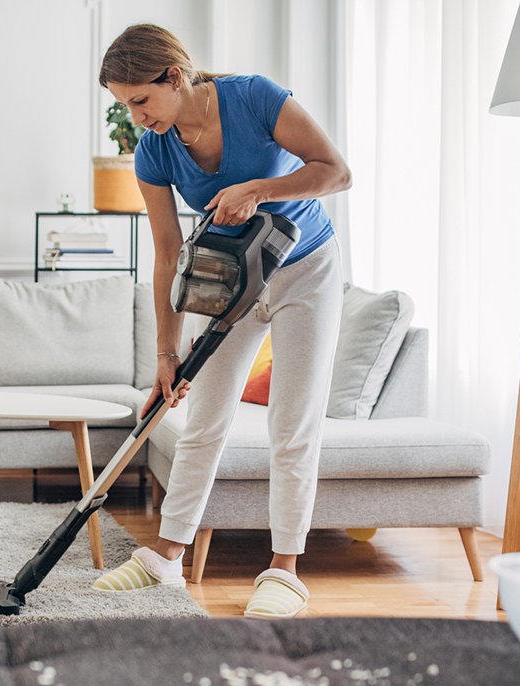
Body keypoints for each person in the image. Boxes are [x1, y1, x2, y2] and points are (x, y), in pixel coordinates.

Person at [91, 24, 352, 619]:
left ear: (174, 77)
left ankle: (284, 571)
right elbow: (165, 251)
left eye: (140, 101)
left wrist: (258, 189)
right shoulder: (155, 148)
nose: (135, 117)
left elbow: (336, 171)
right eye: (123, 105)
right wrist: (164, 354)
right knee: (203, 419)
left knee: (293, 421)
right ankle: (164, 557)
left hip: (302, 267)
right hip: (228, 281)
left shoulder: (255, 96)